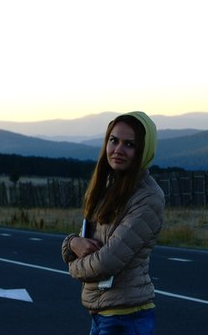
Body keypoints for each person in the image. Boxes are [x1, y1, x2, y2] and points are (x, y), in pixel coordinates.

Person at [61, 111, 165, 335]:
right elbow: (84, 241)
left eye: (129, 144)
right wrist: (71, 243)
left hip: (126, 318)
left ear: (143, 151)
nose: (118, 149)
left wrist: (72, 267)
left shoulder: (148, 197)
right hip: (103, 315)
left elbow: (107, 262)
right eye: (113, 140)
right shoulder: (108, 188)